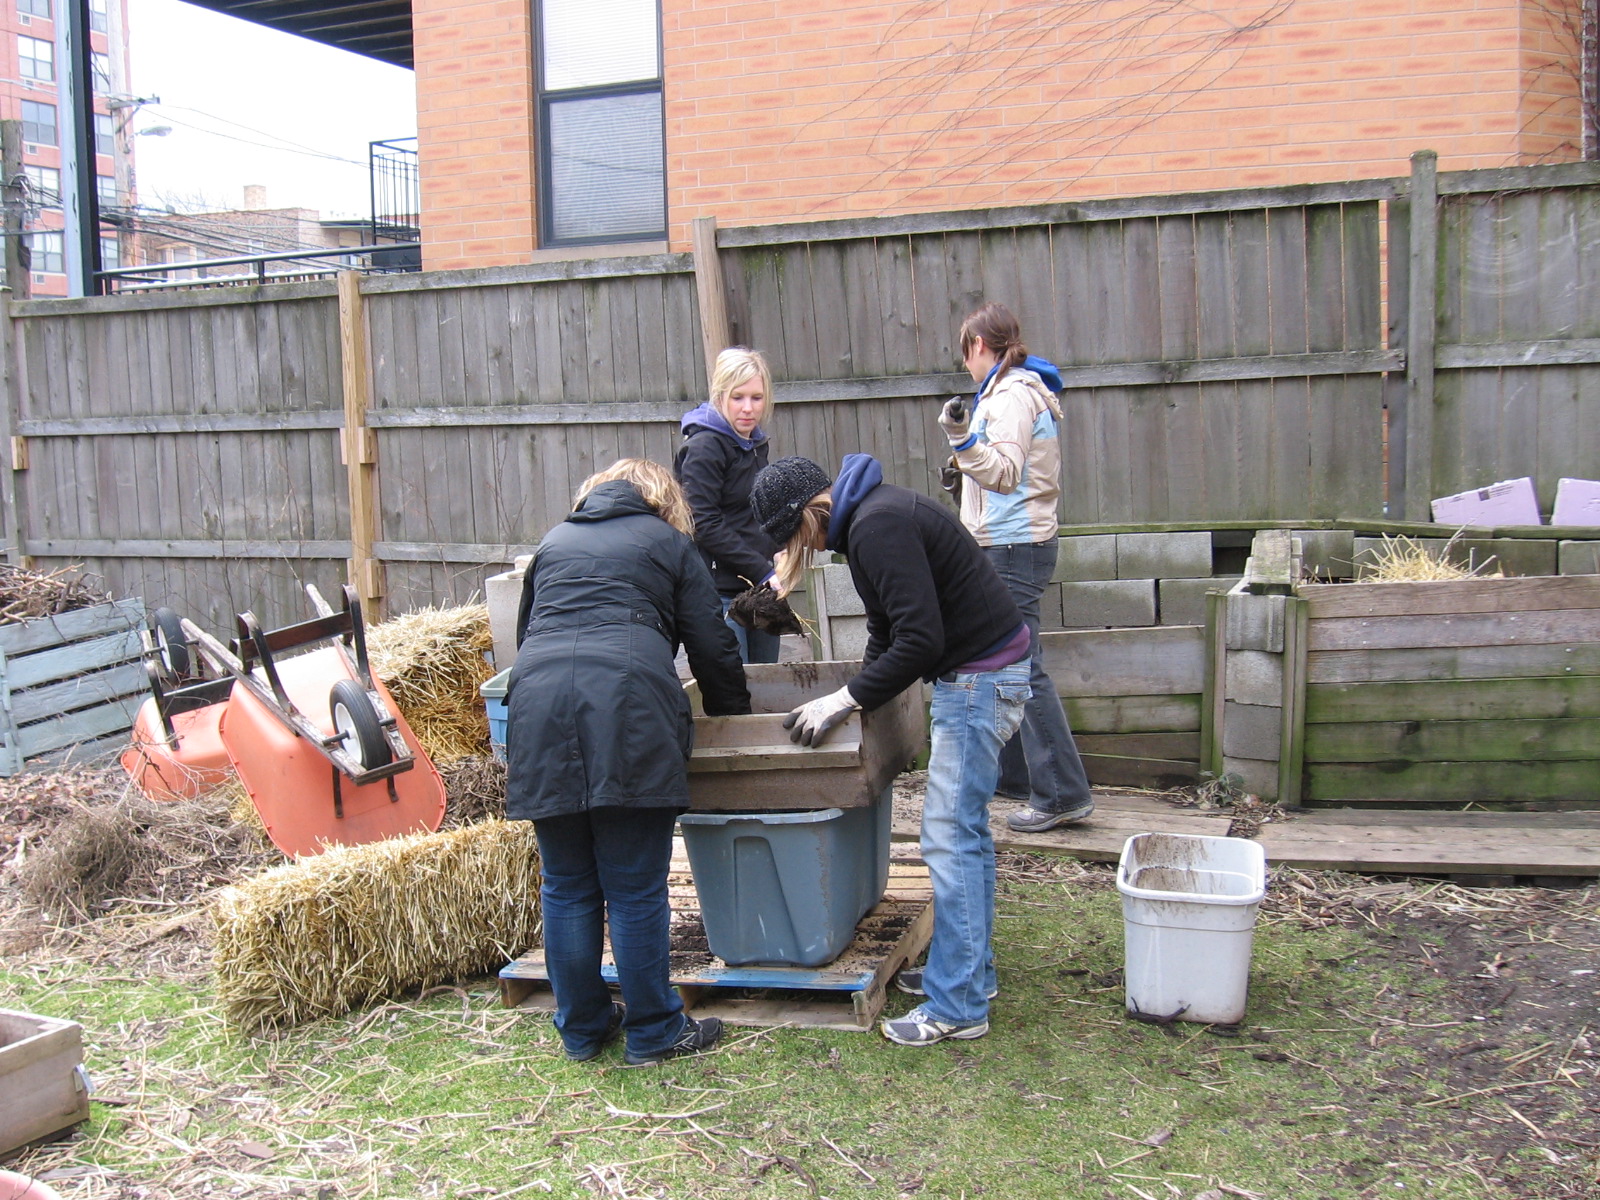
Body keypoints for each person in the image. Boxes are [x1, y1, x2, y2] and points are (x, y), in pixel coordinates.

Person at [752, 453, 1030, 1047]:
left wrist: (845, 698)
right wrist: (857, 704)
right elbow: (887, 629)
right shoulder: (867, 522)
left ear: (807, 515)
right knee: (965, 834)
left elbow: (921, 639)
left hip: (979, 681)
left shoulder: (878, 526)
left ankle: (957, 1005)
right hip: (981, 674)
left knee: (949, 836)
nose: (799, 549)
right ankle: (970, 974)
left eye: (791, 536)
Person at [505, 458, 750, 1066]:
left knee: (566, 884)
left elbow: (526, 637)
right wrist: (735, 720)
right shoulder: (670, 544)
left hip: (538, 709)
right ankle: (654, 1031)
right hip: (629, 707)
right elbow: (711, 642)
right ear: (665, 501)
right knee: (635, 888)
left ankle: (582, 1029)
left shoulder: (553, 544)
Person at [940, 302, 1095, 833]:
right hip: (1009, 543)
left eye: (965, 352)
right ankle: (1018, 777)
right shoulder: (1009, 392)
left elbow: (1004, 473)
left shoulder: (1009, 396)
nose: (965, 363)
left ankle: (1062, 794)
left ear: (979, 346)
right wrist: (963, 466)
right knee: (1002, 660)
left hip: (1013, 547)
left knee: (1023, 668)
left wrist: (961, 440)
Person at [674, 347, 782, 663]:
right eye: (738, 397)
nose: (748, 408)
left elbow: (756, 511)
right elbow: (703, 523)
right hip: (719, 593)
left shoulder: (754, 443)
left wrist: (782, 547)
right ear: (720, 396)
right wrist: (762, 570)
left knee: (770, 681)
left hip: (761, 589)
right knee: (736, 684)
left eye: (757, 398)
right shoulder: (705, 447)